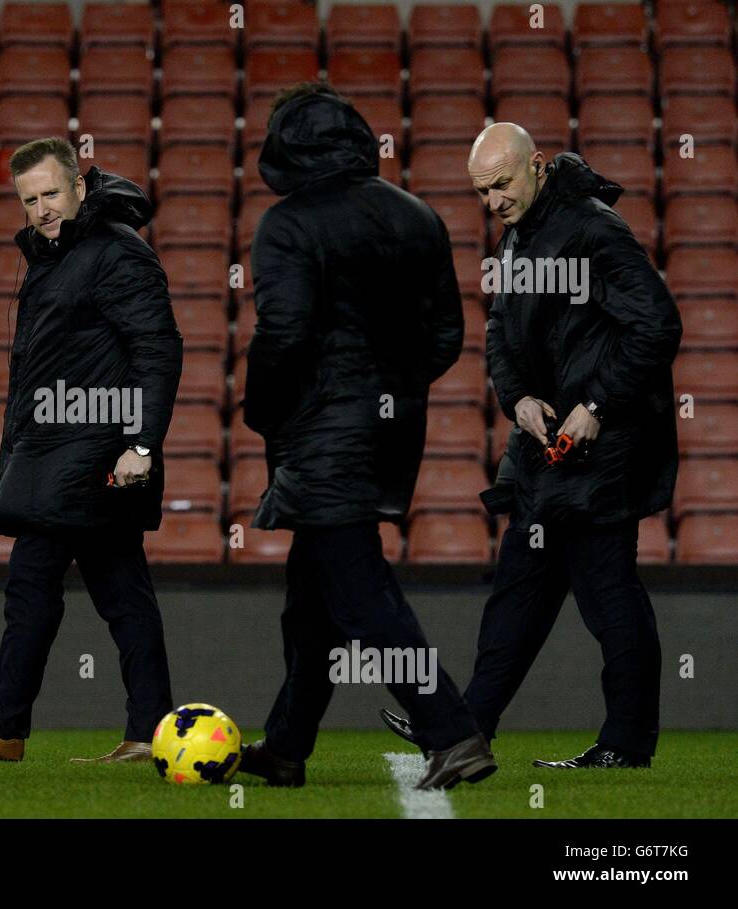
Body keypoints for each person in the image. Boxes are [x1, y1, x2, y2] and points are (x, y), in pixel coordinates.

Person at [382, 123, 681, 769]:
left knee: (606, 591)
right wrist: (515, 397)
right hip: (548, 452)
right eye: (481, 191)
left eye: (501, 184)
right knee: (521, 586)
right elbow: (499, 332)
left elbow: (659, 324)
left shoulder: (593, 229)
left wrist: (597, 405)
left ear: (536, 166)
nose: (491, 201)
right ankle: (467, 726)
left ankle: (625, 744)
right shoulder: (519, 235)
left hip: (603, 450)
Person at [236, 83, 495, 790]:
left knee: (357, 590)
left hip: (323, 432)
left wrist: (263, 409)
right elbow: (448, 334)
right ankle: (287, 744)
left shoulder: (286, 225)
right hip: (393, 430)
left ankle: (453, 731)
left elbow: (282, 334)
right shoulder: (419, 216)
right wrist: (394, 387)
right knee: (313, 595)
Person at [0, 138, 183, 764]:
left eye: (51, 193)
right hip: (70, 453)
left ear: (80, 187)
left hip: (92, 455)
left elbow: (160, 350)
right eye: (29, 199)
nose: (41, 209)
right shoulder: (58, 257)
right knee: (123, 594)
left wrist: (141, 444)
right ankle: (149, 732)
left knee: (32, 584)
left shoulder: (116, 253)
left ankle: (2, 730)